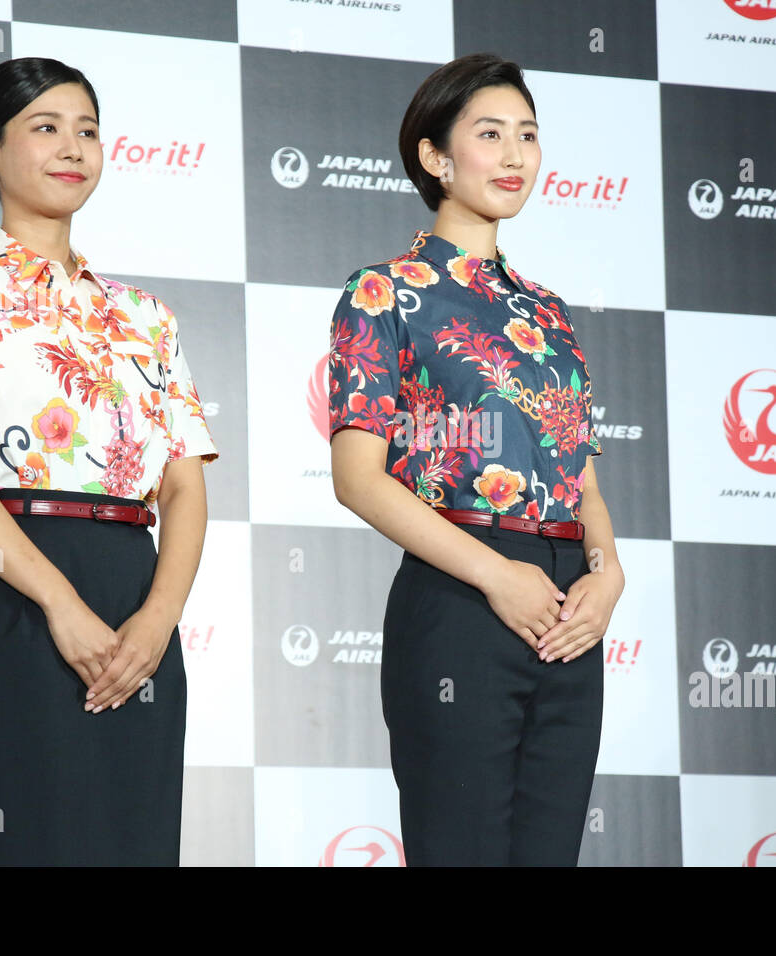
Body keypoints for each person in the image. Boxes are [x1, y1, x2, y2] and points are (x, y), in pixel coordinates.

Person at [0, 57, 217, 865]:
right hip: (12, 592)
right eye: (45, 127)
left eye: (88, 130)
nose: (73, 146)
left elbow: (184, 485)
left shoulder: (146, 316)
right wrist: (59, 604)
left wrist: (159, 620)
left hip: (137, 601)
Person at [328, 53, 623, 866]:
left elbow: (582, 481)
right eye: (490, 133)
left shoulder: (549, 312)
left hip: (569, 610)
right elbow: (358, 478)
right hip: (460, 596)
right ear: (435, 156)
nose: (515, 154)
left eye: (527, 135)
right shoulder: (384, 292)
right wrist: (496, 575)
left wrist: (608, 574)